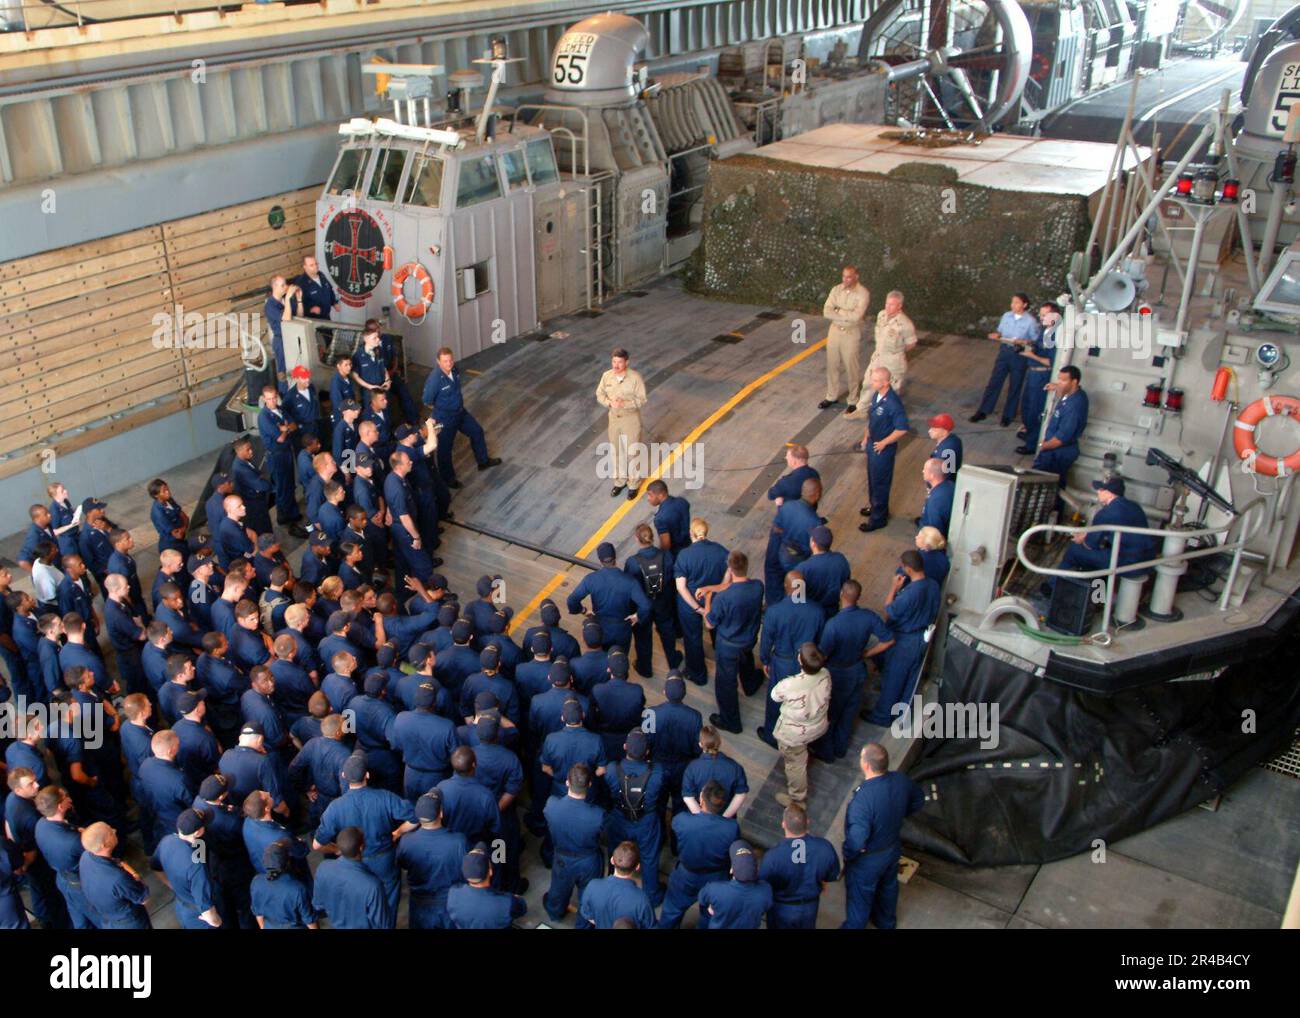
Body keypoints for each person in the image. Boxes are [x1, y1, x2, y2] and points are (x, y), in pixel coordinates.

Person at [312, 754, 416, 918]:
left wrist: (338, 849)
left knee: (358, 904)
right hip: (384, 860)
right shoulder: (385, 797)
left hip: (353, 864)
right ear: (367, 775)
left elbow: (317, 845)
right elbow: (415, 818)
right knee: (387, 907)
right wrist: (398, 832)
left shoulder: (335, 808)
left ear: (344, 776)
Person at [842, 742, 924, 929]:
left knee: (859, 902)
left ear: (866, 765)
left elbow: (856, 841)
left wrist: (849, 854)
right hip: (892, 848)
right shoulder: (900, 780)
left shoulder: (862, 802)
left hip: (867, 860)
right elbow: (918, 800)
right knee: (888, 888)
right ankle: (886, 923)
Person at [818, 580, 894, 759]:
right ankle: (840, 748)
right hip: (858, 670)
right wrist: (867, 653)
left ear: (841, 595)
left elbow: (823, 655)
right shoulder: (869, 616)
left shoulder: (833, 625)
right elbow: (889, 640)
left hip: (837, 674)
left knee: (830, 714)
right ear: (858, 597)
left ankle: (826, 752)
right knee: (849, 713)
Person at [868, 551, 940, 728]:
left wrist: (894, 588)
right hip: (922, 637)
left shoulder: (909, 594)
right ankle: (902, 713)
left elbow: (889, 610)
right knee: (910, 680)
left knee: (895, 677)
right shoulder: (933, 585)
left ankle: (883, 715)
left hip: (905, 640)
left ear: (908, 569)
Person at [657, 780, 739, 929]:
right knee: (709, 917)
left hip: (686, 875)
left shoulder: (681, 821)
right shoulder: (731, 828)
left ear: (701, 799)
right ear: (723, 805)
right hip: (716, 878)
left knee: (671, 912)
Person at [756, 570, 824, 747]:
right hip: (807, 663)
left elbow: (766, 640)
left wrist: (765, 660)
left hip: (782, 662)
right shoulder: (817, 611)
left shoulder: (774, 612)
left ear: (786, 587)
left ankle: (772, 734)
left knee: (776, 699)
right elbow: (821, 641)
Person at [1049, 477, 1156, 587]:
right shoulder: (1134, 506)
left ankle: (1052, 587)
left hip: (1128, 564)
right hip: (1146, 561)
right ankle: (1097, 595)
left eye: (1101, 490)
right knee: (1101, 553)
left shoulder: (1106, 513)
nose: (1098, 492)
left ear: (1109, 493)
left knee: (1074, 550)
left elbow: (1090, 545)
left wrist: (1081, 538)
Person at [422, 346, 501, 488]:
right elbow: (427, 400)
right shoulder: (434, 380)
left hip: (460, 412)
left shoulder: (454, 369)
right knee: (445, 449)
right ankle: (448, 479)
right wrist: (442, 409)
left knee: (477, 431)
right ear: (438, 362)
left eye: (451, 360)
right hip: (445, 419)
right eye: (445, 361)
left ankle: (483, 461)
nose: (449, 363)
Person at [704, 550, 764, 734]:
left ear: (730, 570)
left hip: (728, 645)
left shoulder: (723, 598)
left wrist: (708, 599)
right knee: (746, 662)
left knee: (726, 683)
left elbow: (709, 623)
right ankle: (750, 684)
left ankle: (731, 721)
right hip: (748, 639)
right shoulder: (757, 587)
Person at [602, 730, 665, 907]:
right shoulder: (657, 772)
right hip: (647, 820)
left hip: (620, 818)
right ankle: (651, 896)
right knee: (650, 857)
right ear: (647, 752)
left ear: (624, 747)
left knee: (615, 852)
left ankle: (611, 885)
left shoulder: (612, 769)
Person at [542, 762, 606, 922]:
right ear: (589, 784)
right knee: (588, 895)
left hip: (562, 857)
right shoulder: (598, 815)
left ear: (567, 782)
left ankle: (555, 913)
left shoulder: (551, 806)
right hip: (588, 860)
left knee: (558, 889)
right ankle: (583, 923)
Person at [760, 803, 841, 929]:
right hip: (809, 907)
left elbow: (763, 886)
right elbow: (831, 875)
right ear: (807, 822)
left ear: (783, 824)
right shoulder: (825, 848)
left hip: (781, 909)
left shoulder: (772, 857)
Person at [771, 643, 832, 806]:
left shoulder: (790, 685)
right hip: (818, 725)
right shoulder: (825, 673)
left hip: (794, 735)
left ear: (800, 660)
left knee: (795, 765)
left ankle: (797, 800)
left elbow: (774, 696)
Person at [396, 790, 467, 929]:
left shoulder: (406, 842)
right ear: (441, 813)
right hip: (449, 903)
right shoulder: (458, 841)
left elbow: (402, 864)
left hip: (419, 904)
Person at [970, 291, 1041, 425]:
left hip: (1019, 355)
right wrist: (996, 335)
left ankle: (1008, 415)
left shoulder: (1031, 322)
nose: (1013, 305)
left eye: (1017, 302)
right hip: (1005, 351)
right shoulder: (1006, 316)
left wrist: (1023, 342)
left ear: (1024, 305)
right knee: (994, 382)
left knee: (1015, 385)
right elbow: (1000, 331)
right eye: (1012, 302)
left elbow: (1034, 340)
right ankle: (984, 410)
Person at [672, 518, 729, 686]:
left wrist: (698, 608)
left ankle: (698, 674)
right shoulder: (721, 551)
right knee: (718, 633)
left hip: (690, 604)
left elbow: (681, 588)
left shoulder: (684, 556)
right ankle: (724, 665)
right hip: (715, 599)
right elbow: (726, 581)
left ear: (692, 534)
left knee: (692, 638)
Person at [34, 785, 99, 928]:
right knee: (100, 919)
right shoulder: (73, 842)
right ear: (60, 807)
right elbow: (95, 855)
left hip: (63, 880)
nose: (69, 799)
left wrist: (77, 831)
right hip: (80, 884)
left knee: (80, 921)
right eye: (65, 798)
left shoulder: (41, 824)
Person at [566, 542, 649, 651]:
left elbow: (572, 600)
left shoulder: (591, 579)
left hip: (600, 629)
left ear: (600, 560)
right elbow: (646, 606)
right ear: (615, 557)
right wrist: (637, 616)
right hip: (622, 630)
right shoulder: (630, 581)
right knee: (620, 661)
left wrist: (584, 610)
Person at [624, 523, 682, 677]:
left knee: (643, 637)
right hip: (663, 602)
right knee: (667, 631)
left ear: (637, 539)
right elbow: (671, 578)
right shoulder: (666, 556)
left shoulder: (633, 562)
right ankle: (673, 661)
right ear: (652, 537)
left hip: (643, 605)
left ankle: (645, 667)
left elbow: (629, 585)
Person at [858, 366, 910, 533]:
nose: (871, 382)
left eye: (875, 380)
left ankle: (878, 519)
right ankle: (876, 508)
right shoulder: (877, 395)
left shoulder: (893, 403)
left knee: (880, 483)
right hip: (873, 444)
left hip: (882, 449)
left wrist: (884, 443)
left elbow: (902, 428)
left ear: (885, 382)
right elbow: (872, 419)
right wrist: (867, 436)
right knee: (872, 479)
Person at [763, 443, 820, 593]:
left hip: (787, 528)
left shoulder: (787, 483)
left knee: (773, 566)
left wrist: (780, 504)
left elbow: (771, 494)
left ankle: (774, 601)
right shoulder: (814, 475)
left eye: (787, 457)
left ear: (795, 461)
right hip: (805, 532)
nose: (786, 459)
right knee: (799, 571)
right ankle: (797, 598)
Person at [154, 808, 223, 928]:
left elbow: (155, 867)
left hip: (182, 906)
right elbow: (206, 909)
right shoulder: (196, 866)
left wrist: (173, 886)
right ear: (197, 832)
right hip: (198, 916)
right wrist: (217, 922)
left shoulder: (167, 841)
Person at [312, 826, 392, 929]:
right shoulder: (373, 886)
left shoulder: (323, 868)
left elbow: (318, 904)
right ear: (361, 847)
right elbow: (382, 924)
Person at [595, 347, 647, 498]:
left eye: (619, 362)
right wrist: (610, 403)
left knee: (632, 452)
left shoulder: (635, 378)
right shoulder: (607, 376)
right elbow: (599, 394)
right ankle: (620, 481)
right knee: (616, 451)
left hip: (630, 419)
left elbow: (642, 399)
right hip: (614, 419)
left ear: (627, 362)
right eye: (614, 361)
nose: (616, 365)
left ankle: (634, 484)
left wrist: (624, 404)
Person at [79, 822, 151, 929]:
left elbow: (118, 863)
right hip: (130, 922)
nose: (114, 830)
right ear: (104, 845)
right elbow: (144, 899)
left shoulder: (86, 857)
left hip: (109, 919)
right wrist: (134, 874)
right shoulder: (118, 878)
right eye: (110, 833)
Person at [818, 265, 869, 414]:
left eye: (849, 277)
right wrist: (845, 314)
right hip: (834, 331)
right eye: (843, 276)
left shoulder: (862, 293)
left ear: (856, 277)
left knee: (851, 367)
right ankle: (831, 395)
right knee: (832, 365)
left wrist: (838, 311)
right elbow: (826, 311)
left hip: (850, 333)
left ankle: (853, 399)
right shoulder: (836, 290)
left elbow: (856, 317)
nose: (845, 279)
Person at [258, 386, 308, 537]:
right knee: (281, 486)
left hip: (286, 451)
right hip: (276, 455)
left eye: (274, 397)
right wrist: (286, 429)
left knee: (289, 483)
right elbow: (279, 438)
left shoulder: (280, 410)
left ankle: (293, 512)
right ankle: (284, 518)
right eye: (269, 398)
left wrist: (284, 428)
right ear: (264, 399)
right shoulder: (264, 417)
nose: (272, 401)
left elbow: (293, 425)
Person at [1031, 365, 1089, 487]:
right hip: (1054, 452)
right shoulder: (1070, 393)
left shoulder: (1074, 407)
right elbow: (1063, 389)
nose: (1059, 383)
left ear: (1074, 382)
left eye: (1063, 381)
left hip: (1057, 454)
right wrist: (1056, 386)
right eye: (1059, 379)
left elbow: (1061, 438)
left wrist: (1042, 446)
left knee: (1043, 484)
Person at [578, 840, 656, 929]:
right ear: (638, 867)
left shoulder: (593, 886)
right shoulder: (642, 900)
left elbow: (588, 916)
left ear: (612, 860)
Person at [447, 841, 527, 928]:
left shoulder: (453, 893)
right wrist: (515, 898)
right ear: (490, 871)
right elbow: (522, 909)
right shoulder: (506, 903)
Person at [698, 840, 772, 929]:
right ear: (757, 870)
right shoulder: (766, 891)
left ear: (731, 870)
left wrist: (713, 906)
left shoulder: (714, 890)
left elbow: (702, 899)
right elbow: (765, 908)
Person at [1016, 301, 1060, 453]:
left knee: (1035, 410)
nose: (1041, 318)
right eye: (1040, 315)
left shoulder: (1055, 336)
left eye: (1044, 315)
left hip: (1042, 374)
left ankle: (1032, 444)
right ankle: (1029, 434)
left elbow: (1051, 361)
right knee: (1026, 406)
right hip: (1033, 372)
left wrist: (1031, 354)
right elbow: (1038, 345)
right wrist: (1029, 344)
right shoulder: (1044, 330)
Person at [251, 840, 319, 929]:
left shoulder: (256, 882)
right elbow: (310, 921)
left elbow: (258, 914)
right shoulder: (297, 889)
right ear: (287, 862)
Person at [864, 289, 918, 395]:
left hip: (893, 363)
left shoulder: (905, 324)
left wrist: (896, 352)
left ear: (899, 306)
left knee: (890, 392)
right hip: (877, 358)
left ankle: (888, 411)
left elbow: (911, 344)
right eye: (887, 303)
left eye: (892, 304)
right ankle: (865, 409)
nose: (888, 307)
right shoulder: (881, 315)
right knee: (868, 386)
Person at [772, 477, 823, 585]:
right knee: (799, 585)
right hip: (800, 559)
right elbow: (817, 548)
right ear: (816, 495)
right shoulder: (815, 522)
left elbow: (776, 528)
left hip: (784, 553)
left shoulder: (786, 506)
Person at [800, 525, 852, 619]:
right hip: (832, 611)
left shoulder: (803, 568)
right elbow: (846, 583)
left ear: (813, 544)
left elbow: (796, 598)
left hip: (810, 614)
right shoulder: (841, 560)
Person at [264, 275, 301, 376]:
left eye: (286, 284)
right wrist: (288, 298)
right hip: (281, 340)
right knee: (285, 373)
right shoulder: (270, 305)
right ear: (274, 287)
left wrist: (299, 299)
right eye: (282, 285)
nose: (286, 287)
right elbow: (286, 319)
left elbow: (300, 316)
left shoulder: (287, 300)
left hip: (294, 336)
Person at [645, 480, 691, 551]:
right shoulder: (682, 501)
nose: (648, 499)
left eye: (650, 495)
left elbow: (666, 545)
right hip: (689, 543)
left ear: (661, 495)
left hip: (677, 553)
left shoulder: (660, 519)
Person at [917, 458, 955, 539]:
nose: (922, 471)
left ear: (932, 475)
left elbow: (934, 530)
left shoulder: (934, 501)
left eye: (925, 469)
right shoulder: (951, 485)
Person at [295, 255, 337, 320]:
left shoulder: (321, 275)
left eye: (316, 264)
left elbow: (330, 290)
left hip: (326, 317)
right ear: (305, 267)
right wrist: (309, 309)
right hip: (313, 320)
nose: (316, 267)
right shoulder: (301, 283)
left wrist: (334, 302)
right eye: (312, 265)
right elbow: (297, 303)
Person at [927, 413, 963, 477]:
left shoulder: (943, 453)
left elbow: (940, 475)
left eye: (934, 429)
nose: (929, 431)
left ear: (944, 431)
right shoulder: (955, 439)